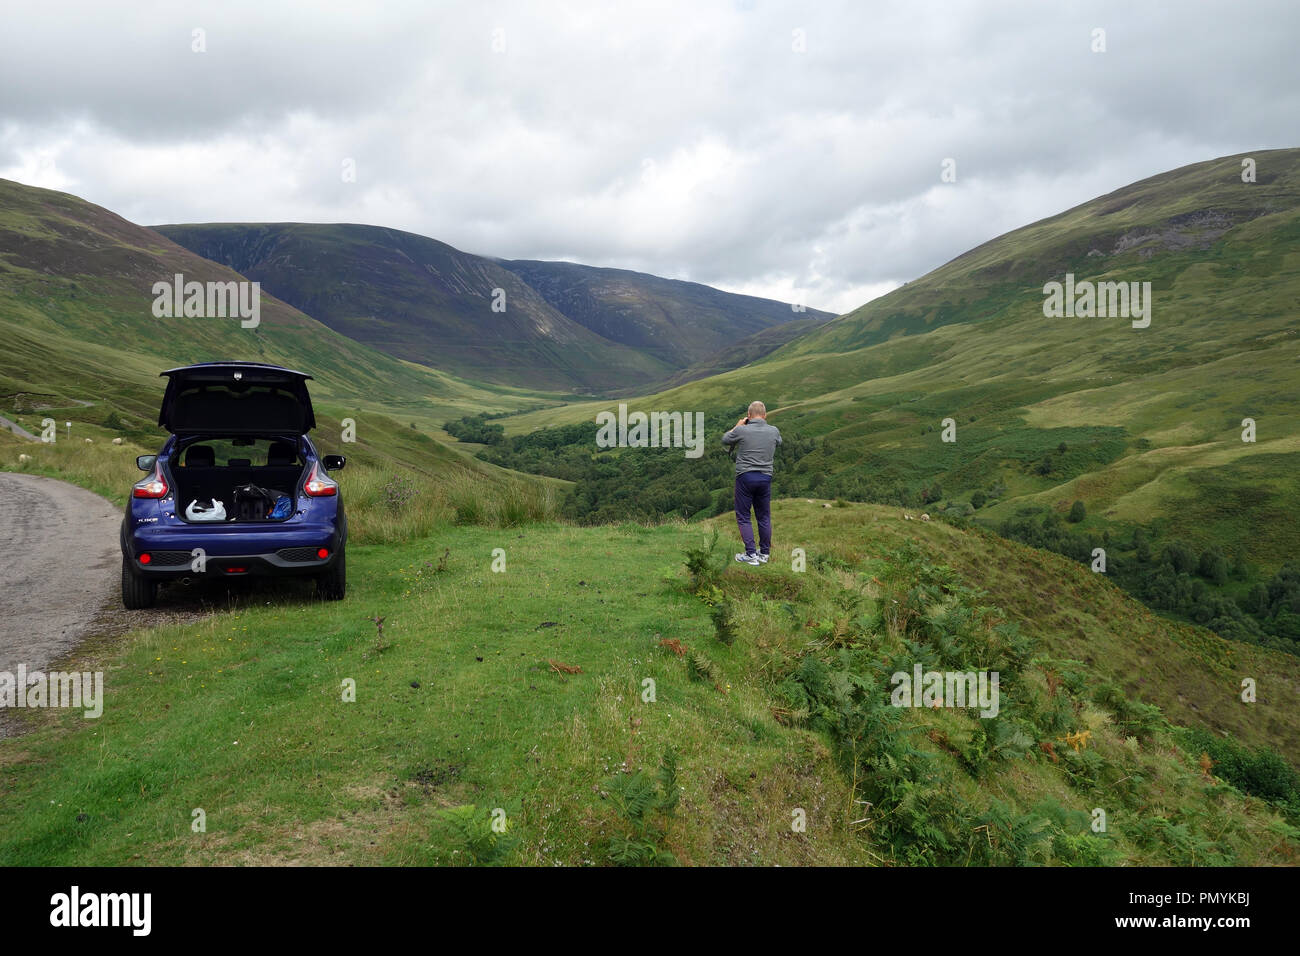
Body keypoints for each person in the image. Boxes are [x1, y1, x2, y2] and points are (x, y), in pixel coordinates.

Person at [721, 401, 781, 566]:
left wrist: (737, 426)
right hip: (765, 478)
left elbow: (725, 439)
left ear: (748, 416)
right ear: (765, 415)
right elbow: (779, 442)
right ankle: (764, 554)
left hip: (745, 477)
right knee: (764, 516)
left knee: (744, 516)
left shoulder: (741, 430)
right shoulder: (774, 431)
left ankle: (750, 554)